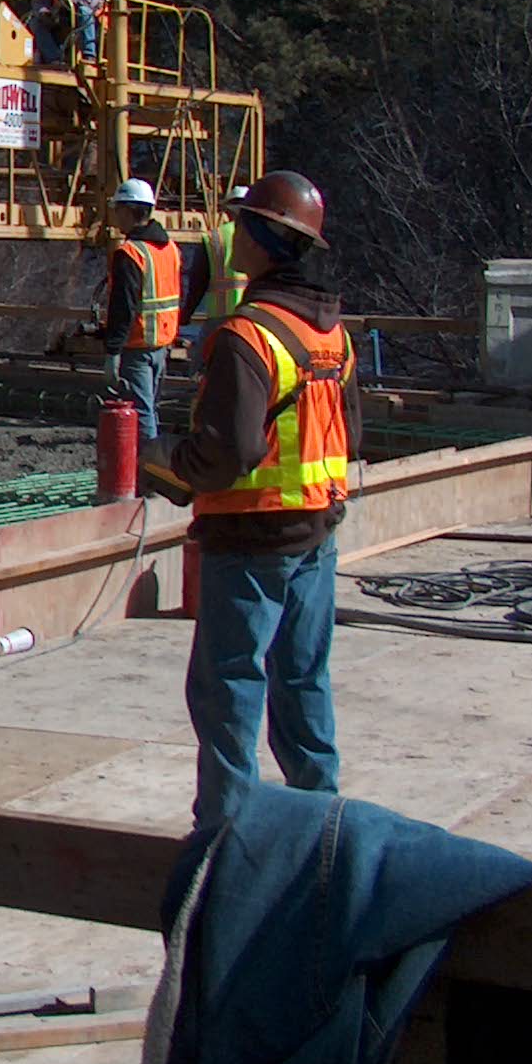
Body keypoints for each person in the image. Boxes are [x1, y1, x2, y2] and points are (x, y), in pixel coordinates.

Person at [139, 172, 353, 825]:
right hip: (316, 531)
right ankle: (320, 827)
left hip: (252, 539)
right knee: (303, 679)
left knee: (228, 686)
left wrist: (169, 466)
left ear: (256, 239)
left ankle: (226, 836)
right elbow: (351, 434)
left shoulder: (248, 335)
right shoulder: (332, 334)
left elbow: (229, 454)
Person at [97, 177, 181, 437]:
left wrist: (112, 352)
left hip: (137, 346)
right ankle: (151, 468)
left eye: (117, 210)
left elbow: (123, 307)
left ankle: (146, 471)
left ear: (127, 210)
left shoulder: (130, 253)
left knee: (141, 416)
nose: (116, 217)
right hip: (162, 344)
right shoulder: (169, 248)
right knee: (150, 410)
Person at [181, 184, 253, 329]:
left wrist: (186, 314)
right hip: (251, 314)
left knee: (204, 351)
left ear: (227, 210)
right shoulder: (258, 237)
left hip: (219, 318)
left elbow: (198, 282)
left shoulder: (214, 237)